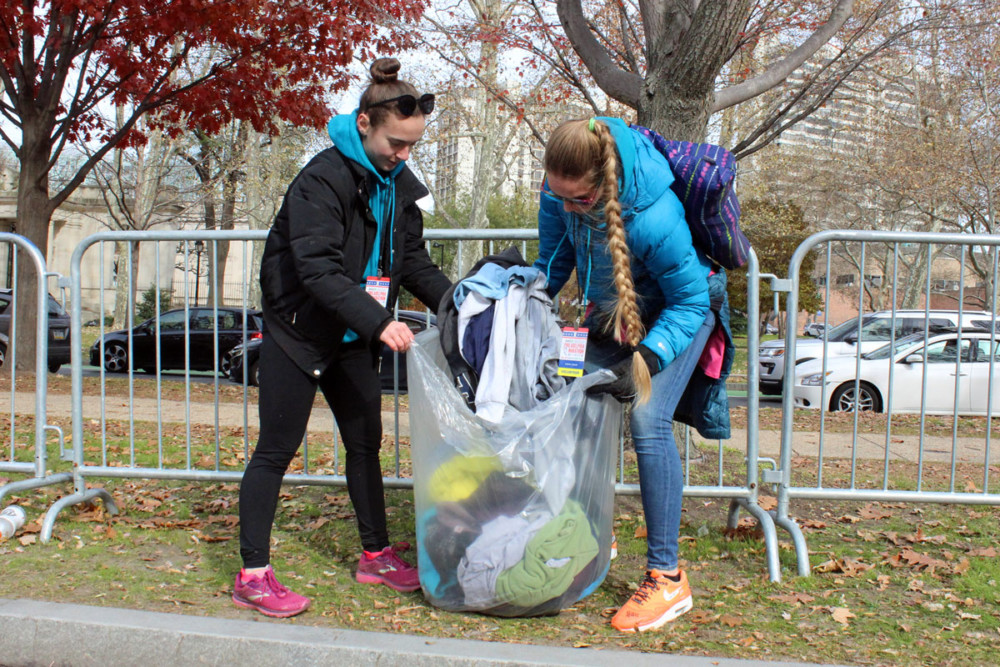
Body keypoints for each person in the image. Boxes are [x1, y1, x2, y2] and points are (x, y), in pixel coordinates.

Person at [233, 58, 452, 618]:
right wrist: (380, 321)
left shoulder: (398, 187)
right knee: (276, 450)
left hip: (353, 335)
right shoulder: (321, 180)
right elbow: (318, 270)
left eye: (412, 145)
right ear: (364, 124)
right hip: (299, 331)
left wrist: (459, 306)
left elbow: (412, 261)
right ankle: (252, 575)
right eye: (396, 143)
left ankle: (375, 556)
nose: (404, 155)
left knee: (365, 444)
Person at [535, 117, 729, 633]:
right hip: (612, 314)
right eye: (557, 195)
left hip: (679, 313)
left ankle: (668, 577)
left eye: (578, 199)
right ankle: (592, 533)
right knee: (563, 396)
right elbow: (552, 262)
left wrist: (650, 357)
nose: (565, 206)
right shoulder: (559, 193)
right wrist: (517, 296)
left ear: (605, 185)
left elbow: (690, 300)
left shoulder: (653, 214)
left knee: (648, 419)